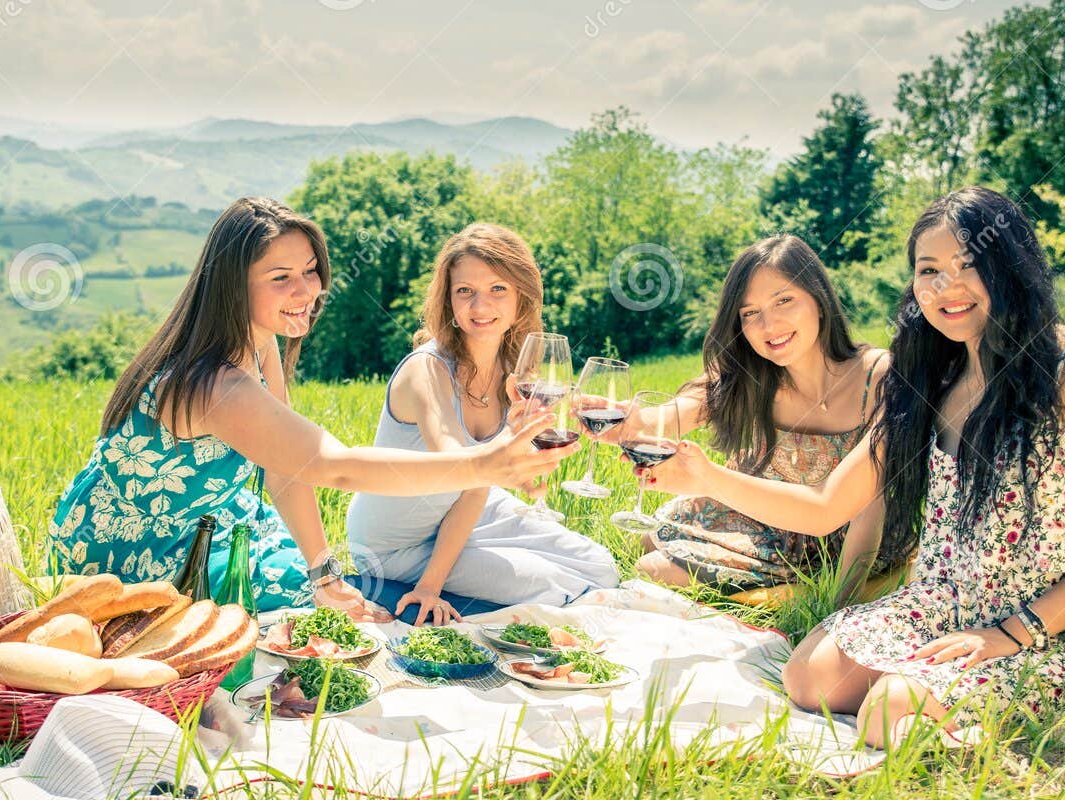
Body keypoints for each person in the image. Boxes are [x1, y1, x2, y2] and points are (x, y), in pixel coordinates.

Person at [629, 187, 1065, 747]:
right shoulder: (928, 380)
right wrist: (704, 476)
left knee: (889, 708)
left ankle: (945, 713)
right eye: (929, 270)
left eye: (968, 265)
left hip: (1060, 624)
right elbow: (825, 510)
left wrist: (1013, 631)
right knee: (809, 676)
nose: (947, 287)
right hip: (944, 603)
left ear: (1011, 265)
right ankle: (936, 696)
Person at [48, 197, 575, 620]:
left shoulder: (259, 343)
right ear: (233, 288)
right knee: (333, 620)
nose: (308, 291)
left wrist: (322, 571)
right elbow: (333, 466)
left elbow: (286, 468)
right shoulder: (210, 383)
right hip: (135, 555)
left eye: (310, 270)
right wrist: (482, 464)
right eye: (281, 278)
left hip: (218, 522)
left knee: (339, 596)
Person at [346, 224, 620, 624]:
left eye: (497, 289)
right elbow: (459, 464)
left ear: (520, 297)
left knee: (600, 566)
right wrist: (428, 587)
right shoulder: (427, 369)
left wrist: (527, 466)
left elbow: (477, 487)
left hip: (469, 509)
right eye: (465, 292)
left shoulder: (512, 369)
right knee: (557, 585)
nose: (480, 306)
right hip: (395, 543)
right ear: (448, 301)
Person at [625, 235, 896, 603]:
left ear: (819, 301)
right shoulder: (748, 372)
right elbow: (667, 417)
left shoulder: (879, 378)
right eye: (750, 313)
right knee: (641, 539)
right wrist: (627, 420)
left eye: (784, 300)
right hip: (755, 515)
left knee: (654, 570)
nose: (769, 325)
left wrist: (836, 608)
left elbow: (869, 513)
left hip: (828, 541)